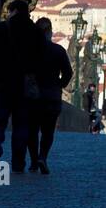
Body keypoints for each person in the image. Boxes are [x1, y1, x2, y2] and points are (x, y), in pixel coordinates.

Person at [0, 0, 46, 173]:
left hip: (2, 85)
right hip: (24, 87)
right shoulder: (35, 32)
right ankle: (18, 163)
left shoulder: (1, 29)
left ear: (14, 11)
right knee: (21, 125)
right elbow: (42, 61)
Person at [27, 17, 73, 174]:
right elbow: (68, 73)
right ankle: (42, 157)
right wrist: (60, 85)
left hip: (33, 96)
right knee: (48, 131)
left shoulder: (30, 50)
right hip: (52, 96)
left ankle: (33, 160)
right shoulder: (58, 50)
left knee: (32, 130)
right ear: (50, 32)